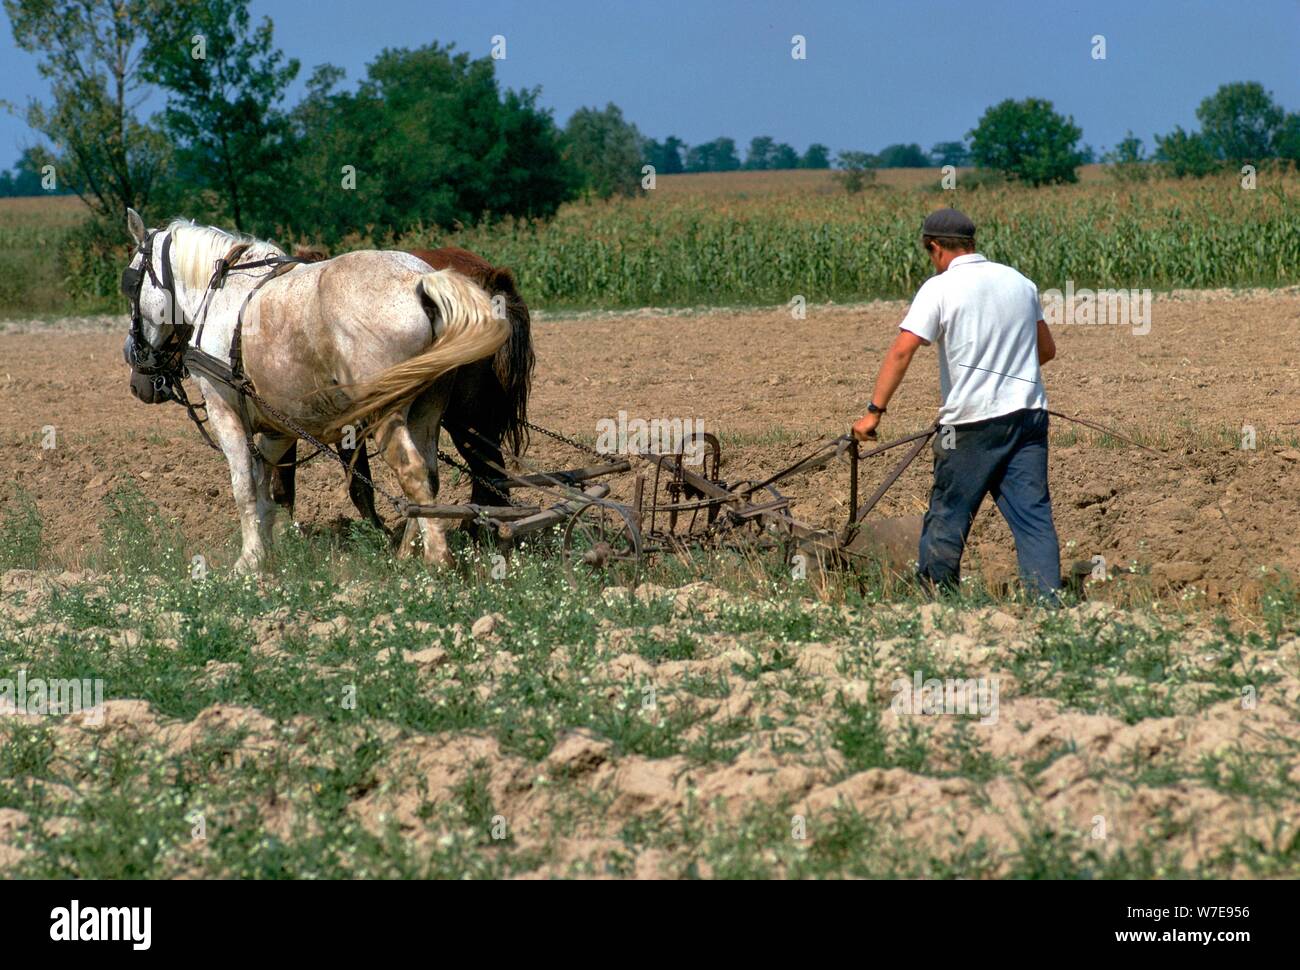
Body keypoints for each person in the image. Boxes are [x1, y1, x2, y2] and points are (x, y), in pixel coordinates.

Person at [851, 207, 1062, 600]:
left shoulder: (940, 288)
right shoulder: (1019, 282)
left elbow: (902, 351)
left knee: (949, 512)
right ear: (972, 243)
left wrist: (873, 413)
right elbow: (1046, 350)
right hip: (1029, 417)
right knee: (1034, 518)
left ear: (934, 248)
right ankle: (1048, 604)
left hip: (969, 427)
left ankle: (939, 603)